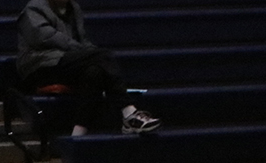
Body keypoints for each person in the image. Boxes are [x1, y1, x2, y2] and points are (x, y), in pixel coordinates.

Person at [17, 0, 159, 136]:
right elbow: (46, 38)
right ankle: (128, 112)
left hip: (66, 61)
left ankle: (77, 135)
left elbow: (83, 40)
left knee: (94, 73)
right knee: (102, 56)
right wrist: (88, 53)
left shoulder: (74, 8)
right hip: (39, 66)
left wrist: (90, 53)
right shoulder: (34, 8)